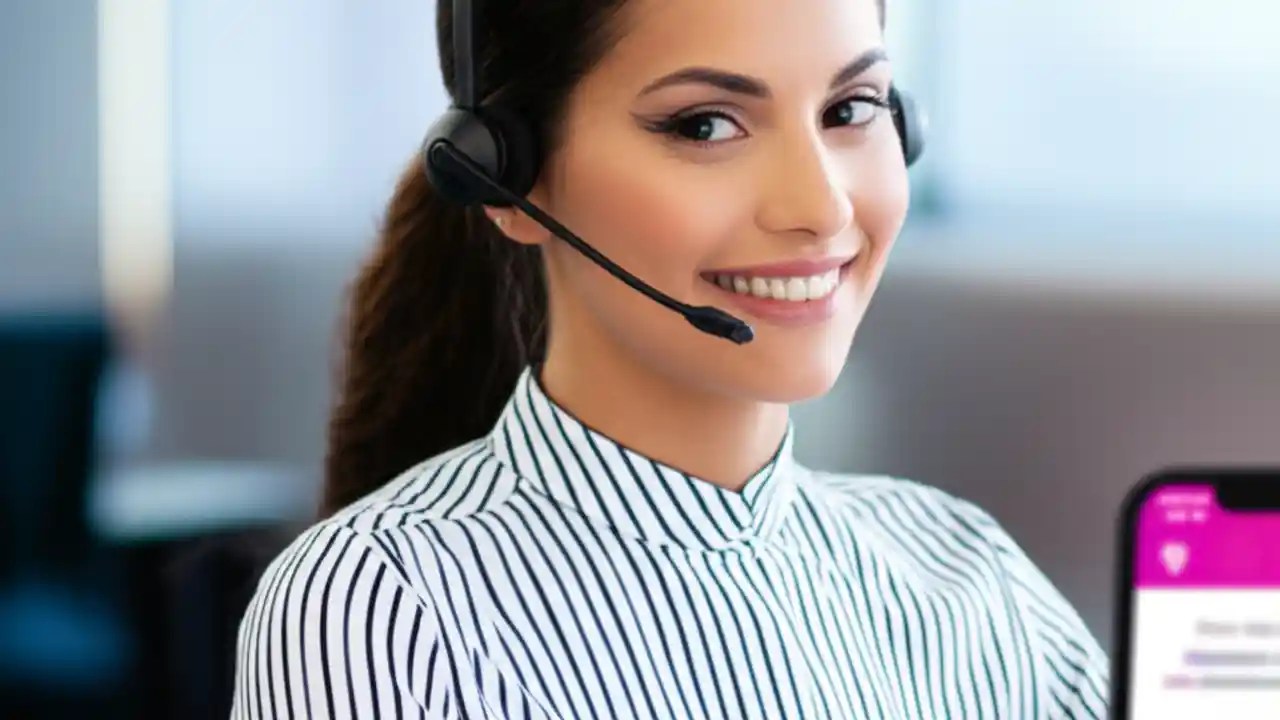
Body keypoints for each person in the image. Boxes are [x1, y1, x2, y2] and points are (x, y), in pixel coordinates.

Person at [231, 0, 1109, 717]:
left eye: (850, 110)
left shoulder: (969, 579)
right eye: (706, 124)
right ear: (505, 177)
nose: (821, 207)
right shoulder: (388, 604)